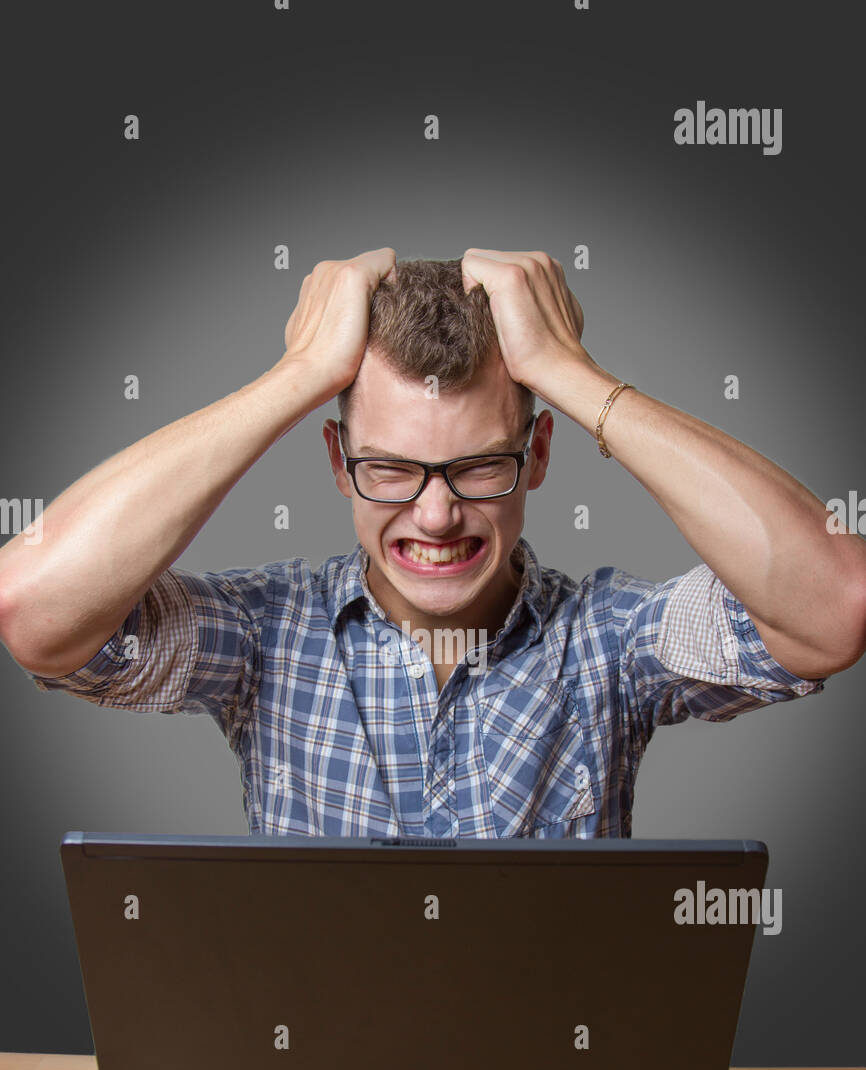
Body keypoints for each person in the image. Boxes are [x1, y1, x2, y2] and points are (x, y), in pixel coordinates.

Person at [1, 248, 864, 838]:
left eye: (479, 465)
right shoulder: (267, 635)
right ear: (339, 461)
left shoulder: (609, 642)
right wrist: (296, 378)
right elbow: (35, 604)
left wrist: (572, 374)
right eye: (392, 469)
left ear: (539, 454)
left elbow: (833, 606)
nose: (437, 514)